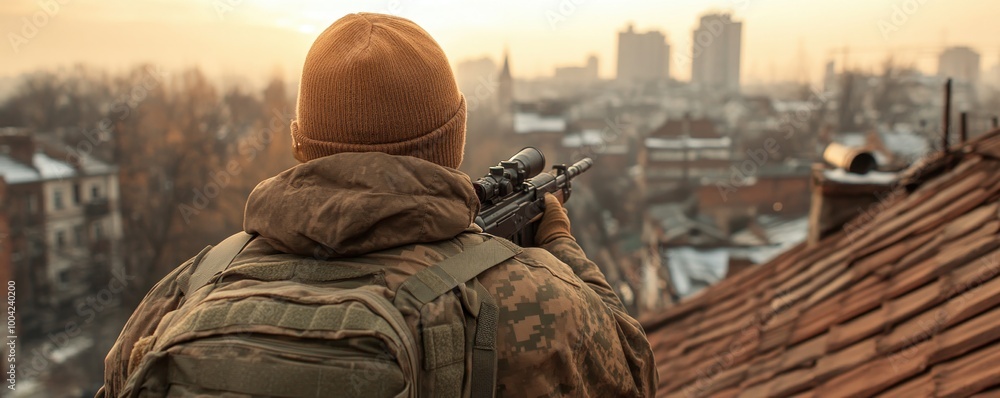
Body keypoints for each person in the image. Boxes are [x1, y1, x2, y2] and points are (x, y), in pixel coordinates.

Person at [98, 12, 656, 397]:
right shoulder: (529, 299)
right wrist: (559, 246)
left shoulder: (192, 286)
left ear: (299, 141)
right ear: (454, 138)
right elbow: (634, 372)